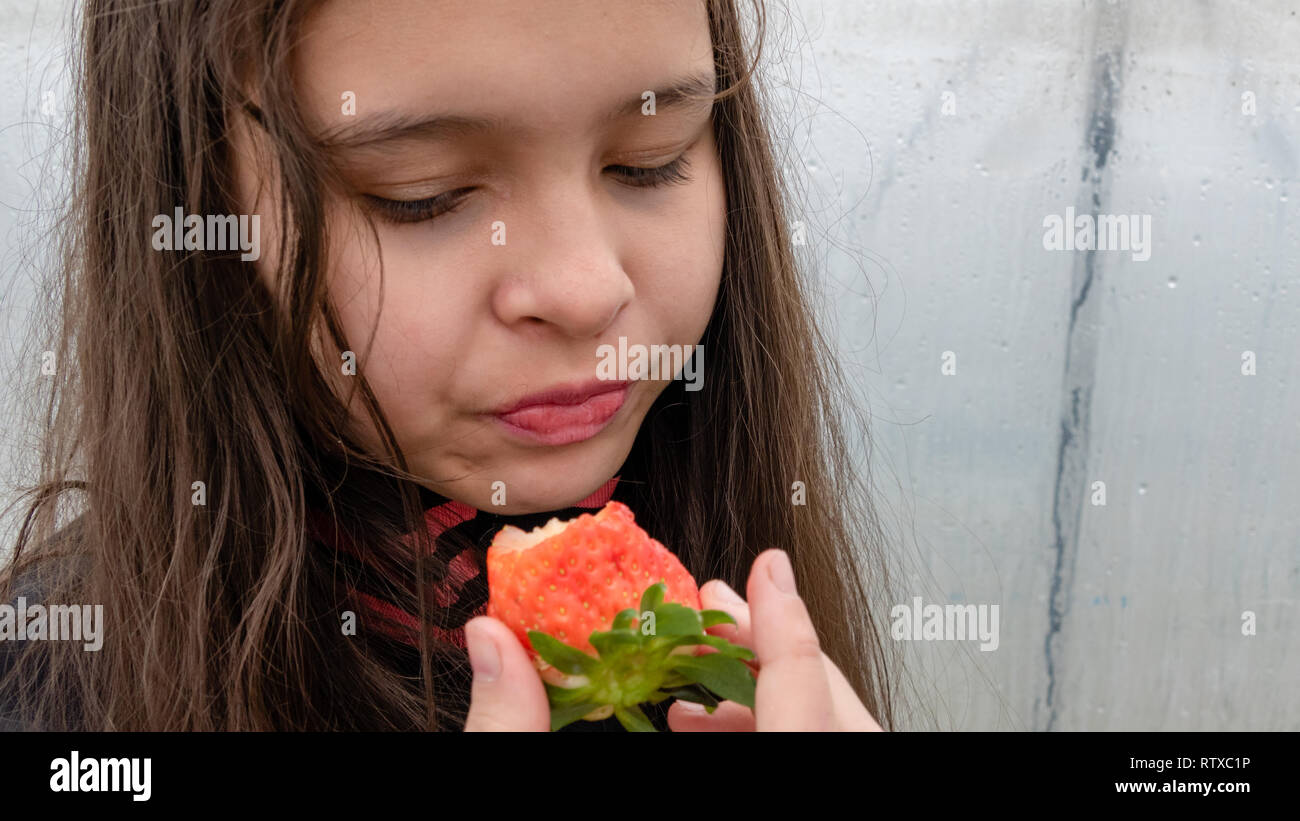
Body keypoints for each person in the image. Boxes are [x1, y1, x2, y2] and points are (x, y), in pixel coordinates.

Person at [0, 0, 896, 731]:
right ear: (201, 200)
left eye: (648, 164)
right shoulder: (49, 678)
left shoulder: (729, 605)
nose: (586, 290)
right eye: (421, 195)